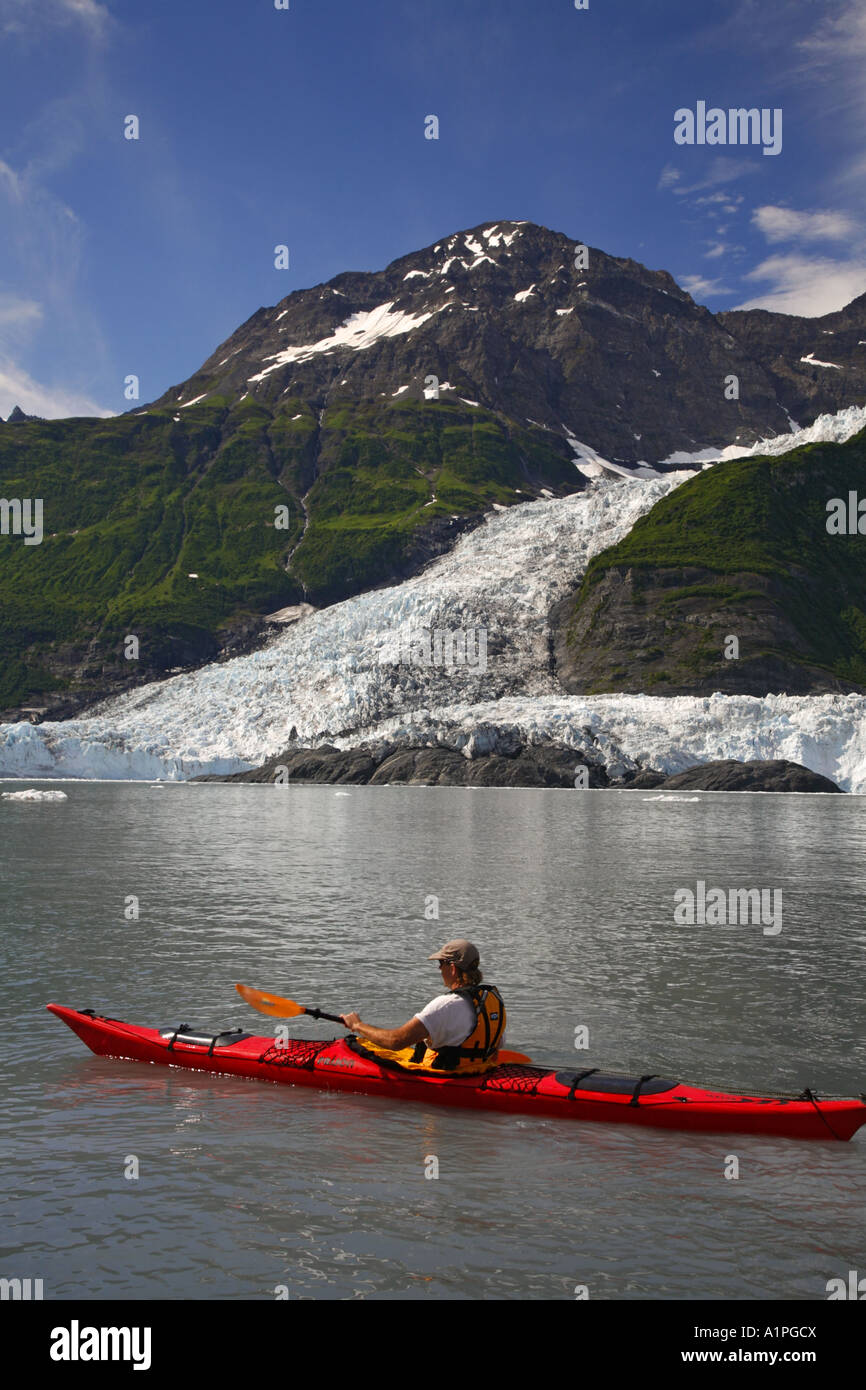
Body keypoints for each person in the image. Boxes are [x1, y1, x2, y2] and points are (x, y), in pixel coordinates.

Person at [340, 940, 506, 1074]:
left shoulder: (446, 1005)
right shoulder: (493, 1000)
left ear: (453, 968)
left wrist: (357, 1025)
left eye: (441, 963)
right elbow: (496, 1048)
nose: (439, 969)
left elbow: (395, 1041)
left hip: (445, 1077)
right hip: (479, 1073)